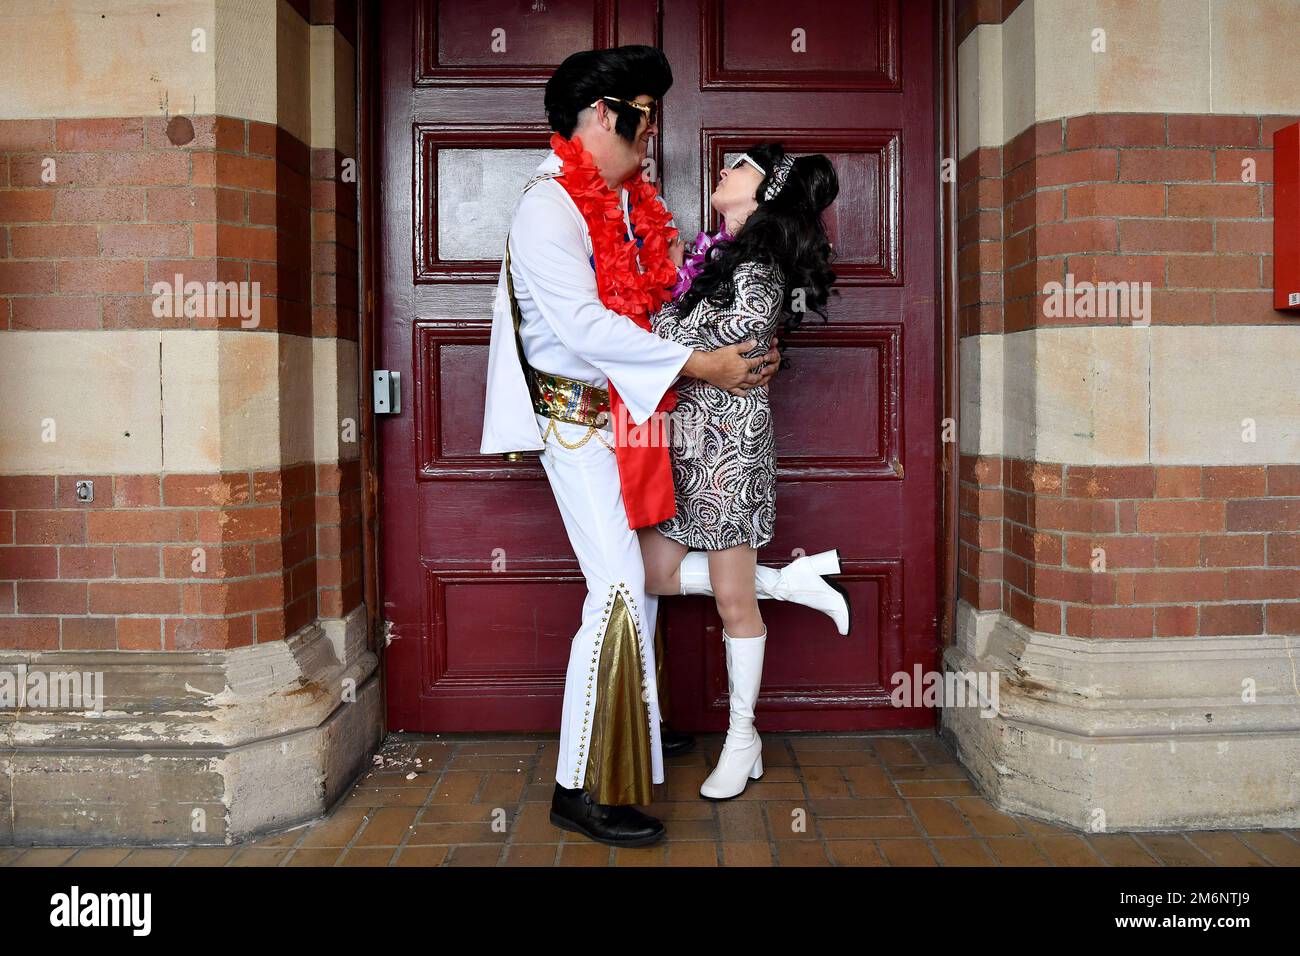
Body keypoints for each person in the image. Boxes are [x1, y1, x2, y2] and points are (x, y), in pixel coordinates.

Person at [479, 46, 777, 848]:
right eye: (644, 120)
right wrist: (700, 363)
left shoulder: (612, 203)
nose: (651, 141)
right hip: (575, 426)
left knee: (639, 583)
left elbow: (651, 305)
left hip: (623, 423)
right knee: (615, 591)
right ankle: (581, 784)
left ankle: (637, 726)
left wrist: (732, 338)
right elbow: (583, 326)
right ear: (606, 115)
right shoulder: (549, 206)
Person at [639, 143, 848, 800]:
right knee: (654, 574)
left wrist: (665, 303)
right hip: (679, 444)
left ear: (762, 196)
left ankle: (741, 737)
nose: (723, 170)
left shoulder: (759, 270)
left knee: (734, 603)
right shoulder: (711, 259)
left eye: (740, 168)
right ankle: (790, 582)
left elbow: (696, 343)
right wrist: (674, 286)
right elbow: (676, 343)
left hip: (729, 452)